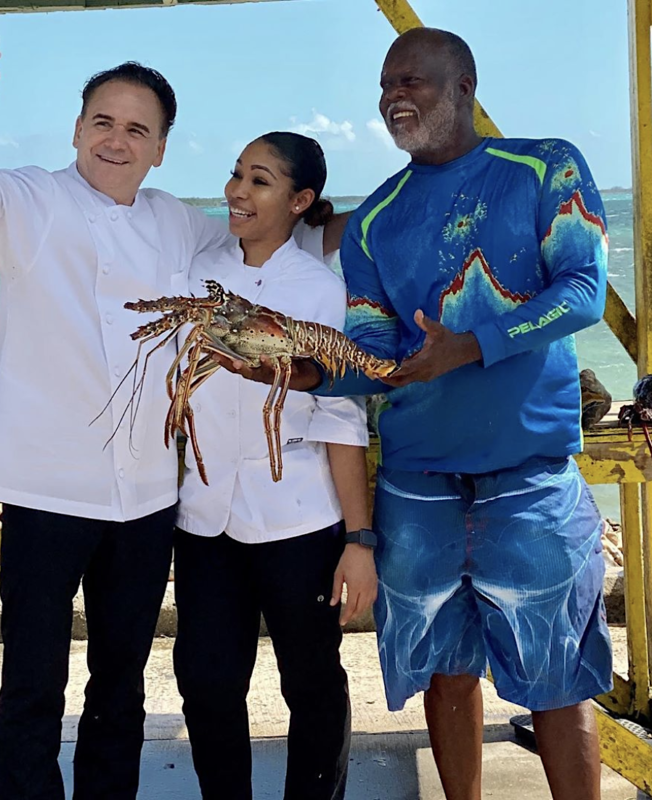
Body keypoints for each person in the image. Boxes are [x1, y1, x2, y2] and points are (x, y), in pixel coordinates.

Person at [223, 28, 613, 800]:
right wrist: (310, 376)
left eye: (413, 81)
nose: (393, 96)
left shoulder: (545, 167)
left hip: (530, 472)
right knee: (445, 671)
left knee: (560, 681)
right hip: (417, 480)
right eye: (384, 84)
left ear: (464, 85)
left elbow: (582, 293)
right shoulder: (375, 221)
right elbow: (372, 346)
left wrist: (470, 347)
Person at [0, 49, 235, 800]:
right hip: (47, 490)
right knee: (32, 684)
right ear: (78, 129)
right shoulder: (33, 202)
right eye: (103, 123)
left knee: (120, 687)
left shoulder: (178, 222)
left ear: (160, 147)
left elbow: (260, 246)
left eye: (136, 130)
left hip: (146, 498)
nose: (116, 141)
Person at [173, 132, 376, 800]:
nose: (238, 192)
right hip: (205, 521)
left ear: (301, 201)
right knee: (205, 682)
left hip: (300, 521)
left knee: (312, 682)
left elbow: (342, 418)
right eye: (236, 175)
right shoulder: (199, 277)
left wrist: (357, 540)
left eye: (260, 181)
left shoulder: (319, 291)